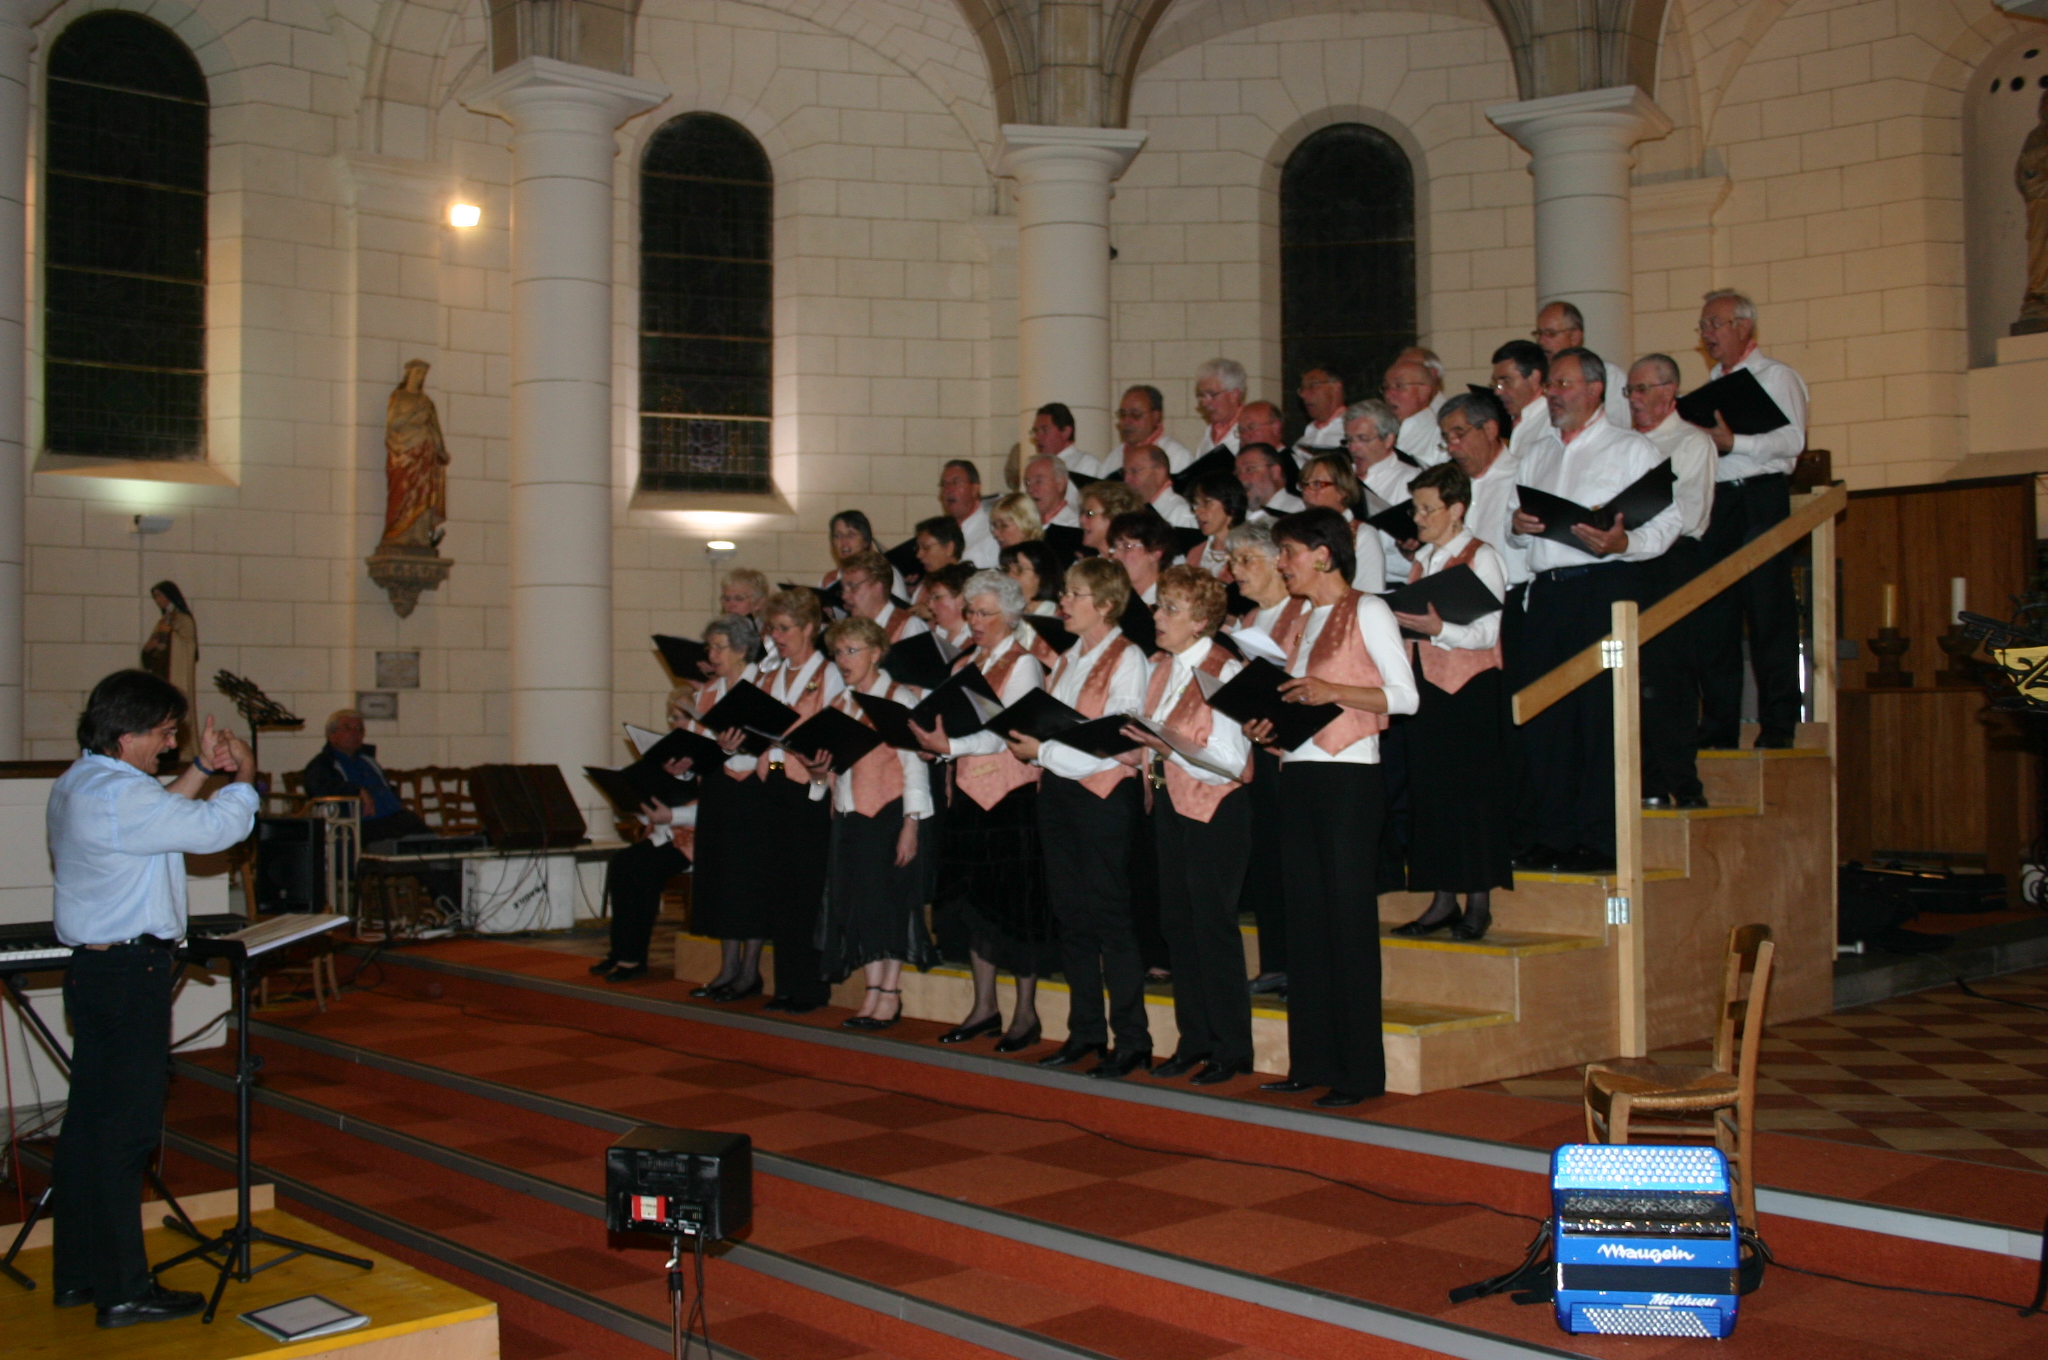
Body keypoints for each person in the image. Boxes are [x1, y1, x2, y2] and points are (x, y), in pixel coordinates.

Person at [49, 670, 256, 1328]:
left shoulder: (87, 781)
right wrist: (243, 777)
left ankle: (80, 1275)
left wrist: (199, 768)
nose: (171, 746)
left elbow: (158, 811)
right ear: (128, 733)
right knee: (126, 1135)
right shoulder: (118, 796)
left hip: (96, 974)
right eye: (166, 734)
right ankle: (124, 1290)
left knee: (87, 1130)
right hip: (128, 979)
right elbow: (211, 830)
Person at [1243, 509, 1417, 1108]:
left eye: (1287, 552)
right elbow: (1300, 701)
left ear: (1323, 554)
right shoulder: (1301, 619)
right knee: (1305, 922)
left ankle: (1361, 1072)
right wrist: (1272, 726)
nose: (1281, 563)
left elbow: (1406, 697)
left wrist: (1334, 691)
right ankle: (1311, 1060)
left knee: (1345, 922)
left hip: (1349, 781)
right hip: (1301, 774)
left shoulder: (1367, 608)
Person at [1508, 347, 1681, 874]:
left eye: (1562, 384)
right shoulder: (1535, 452)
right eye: (1551, 386)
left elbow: (1667, 524)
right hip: (1548, 593)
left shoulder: (1631, 450)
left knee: (1599, 714)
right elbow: (1513, 537)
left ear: (1594, 388)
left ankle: (1600, 837)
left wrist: (1621, 542)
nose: (1552, 394)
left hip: (1604, 588)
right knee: (1545, 716)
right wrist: (1516, 529)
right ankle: (1550, 833)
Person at [1000, 558, 1154, 1078]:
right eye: (1064, 591)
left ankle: (1132, 1038)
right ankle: (1085, 1030)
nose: (1063, 601)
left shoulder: (1129, 658)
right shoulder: (1067, 659)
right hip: (1061, 797)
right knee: (1072, 917)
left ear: (1106, 604)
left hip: (1103, 799)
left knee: (1111, 918)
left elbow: (1113, 745)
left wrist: (1041, 753)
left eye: (1075, 593)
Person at [1126, 566, 1255, 1085]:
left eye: (1170, 609)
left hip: (1215, 809)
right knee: (1179, 925)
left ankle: (1232, 1048)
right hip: (1170, 804)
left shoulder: (1223, 670)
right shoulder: (1163, 667)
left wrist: (1168, 746)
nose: (1157, 616)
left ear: (1200, 620)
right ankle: (1194, 1039)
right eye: (1159, 606)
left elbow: (1232, 759)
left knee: (1213, 927)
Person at [912, 571, 1052, 1051]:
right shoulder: (964, 665)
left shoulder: (1025, 664)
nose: (973, 620)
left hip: (1012, 800)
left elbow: (1006, 734)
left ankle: (1026, 1013)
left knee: (1014, 905)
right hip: (968, 799)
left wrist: (949, 744)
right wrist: (936, 746)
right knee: (975, 907)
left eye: (984, 612)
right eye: (970, 611)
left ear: (1010, 616)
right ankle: (984, 1005)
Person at [1388, 465, 1514, 941]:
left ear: (1456, 509)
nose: (1418, 518)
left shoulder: (1482, 558)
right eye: (1415, 508)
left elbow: (1487, 632)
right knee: (1431, 792)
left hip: (1469, 690)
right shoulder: (1424, 559)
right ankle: (1442, 899)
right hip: (1427, 688)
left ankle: (1478, 903)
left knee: (1472, 793)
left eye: (1426, 508)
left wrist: (1439, 630)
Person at [1696, 288, 1810, 751]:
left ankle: (1779, 722)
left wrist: (1734, 443)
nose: (1707, 334)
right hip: (1718, 503)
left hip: (1760, 497)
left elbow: (1793, 441)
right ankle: (1720, 723)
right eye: (1702, 326)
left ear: (1744, 326)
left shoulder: (1776, 376)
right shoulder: (1709, 385)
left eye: (1715, 324)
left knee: (1768, 612)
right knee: (1715, 617)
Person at [718, 589, 842, 1013]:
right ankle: (785, 985)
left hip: (809, 789)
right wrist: (733, 743)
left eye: (785, 628)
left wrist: (815, 768)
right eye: (773, 627)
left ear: (810, 628)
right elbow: (756, 736)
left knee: (805, 890)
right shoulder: (769, 676)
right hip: (769, 784)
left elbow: (833, 735)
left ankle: (810, 987)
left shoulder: (828, 673)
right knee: (778, 890)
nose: (777, 636)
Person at [813, 616, 933, 1029]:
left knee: (889, 903)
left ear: (876, 653)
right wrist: (817, 771)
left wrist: (911, 825)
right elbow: (825, 776)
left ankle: (890, 993)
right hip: (849, 816)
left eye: (852, 651)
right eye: (838, 653)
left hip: (889, 813)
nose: (843, 660)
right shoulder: (840, 704)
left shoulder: (898, 698)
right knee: (860, 904)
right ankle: (872, 990)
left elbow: (915, 767)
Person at [1629, 353, 1718, 809]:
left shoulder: (1690, 442)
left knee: (1669, 673)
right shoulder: (1623, 444)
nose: (1635, 399)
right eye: (1630, 391)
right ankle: (1640, 779)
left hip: (1672, 561)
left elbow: (1689, 512)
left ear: (1669, 391)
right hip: (1627, 561)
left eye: (1643, 389)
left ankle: (1682, 782)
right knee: (1630, 673)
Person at [1223, 523, 1305, 996]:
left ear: (1278, 561)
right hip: (1255, 745)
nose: (1236, 571)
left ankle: (1303, 963)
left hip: (1294, 749)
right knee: (1267, 858)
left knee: (1293, 858)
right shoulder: (1246, 622)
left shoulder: (1303, 612)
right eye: (1233, 562)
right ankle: (1276, 960)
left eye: (1246, 560)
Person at [681, 615, 771, 1000]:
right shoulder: (709, 692)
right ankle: (727, 967)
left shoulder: (765, 685)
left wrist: (748, 753)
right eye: (710, 647)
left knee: (750, 881)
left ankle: (749, 971)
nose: (711, 655)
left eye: (718, 647)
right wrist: (684, 761)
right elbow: (697, 742)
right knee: (721, 880)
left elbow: (779, 747)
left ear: (741, 648)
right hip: (718, 789)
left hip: (753, 790)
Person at [593, 759, 696, 984]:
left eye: (680, 720)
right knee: (621, 863)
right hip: (663, 837)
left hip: (693, 843)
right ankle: (619, 952)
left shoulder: (709, 768)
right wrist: (634, 801)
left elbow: (705, 811)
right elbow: (651, 812)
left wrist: (671, 815)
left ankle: (633, 958)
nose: (677, 722)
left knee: (644, 870)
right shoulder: (667, 768)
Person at [302, 709, 430, 843]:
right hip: (364, 823)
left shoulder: (368, 761)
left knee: (433, 843)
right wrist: (357, 791)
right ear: (331, 735)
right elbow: (319, 788)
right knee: (401, 845)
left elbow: (385, 786)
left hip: (396, 817)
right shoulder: (323, 764)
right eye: (347, 728)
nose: (354, 733)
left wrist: (396, 801)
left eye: (359, 729)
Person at [1343, 398, 1419, 585]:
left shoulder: (1410, 481)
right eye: (1349, 440)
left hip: (1390, 583)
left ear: (1388, 439)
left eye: (1362, 439)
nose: (1353, 448)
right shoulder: (1341, 476)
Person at [1297, 451, 1384, 592]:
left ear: (1343, 490)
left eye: (1317, 484)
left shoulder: (1361, 535)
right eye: (1304, 485)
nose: (1307, 492)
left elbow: (1369, 592)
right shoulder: (1298, 533)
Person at [1532, 301, 1629, 428]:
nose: (1541, 341)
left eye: (1551, 333)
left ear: (1575, 337)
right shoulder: (1538, 377)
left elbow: (1616, 428)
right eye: (1539, 334)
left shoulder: (1609, 375)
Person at [139, 581, 198, 762]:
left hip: (176, 671)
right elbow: (150, 650)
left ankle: (183, 752)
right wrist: (151, 647)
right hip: (162, 672)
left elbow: (188, 643)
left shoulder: (182, 619)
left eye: (160, 595)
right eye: (155, 596)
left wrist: (172, 631)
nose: (158, 600)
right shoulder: (163, 620)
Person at [840, 548, 926, 643]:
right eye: (843, 589)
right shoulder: (850, 629)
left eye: (852, 587)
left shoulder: (908, 626)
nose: (844, 596)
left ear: (878, 586)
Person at [1491, 340, 1553, 464]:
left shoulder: (1551, 425)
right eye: (1496, 384)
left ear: (1534, 378)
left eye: (1506, 381)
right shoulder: (1515, 421)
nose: (1498, 392)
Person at [825, 510, 909, 600]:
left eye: (851, 535)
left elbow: (901, 611)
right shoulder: (832, 579)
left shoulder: (885, 574)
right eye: (838, 536)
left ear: (866, 541)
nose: (844, 542)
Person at [1381, 354, 1447, 467]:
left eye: (1399, 386)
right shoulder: (1382, 432)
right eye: (1386, 387)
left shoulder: (1440, 436)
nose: (1388, 395)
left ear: (1424, 391)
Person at [1116, 385, 1195, 474]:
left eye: (1135, 414)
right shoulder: (1114, 457)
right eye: (1122, 414)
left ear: (1155, 416)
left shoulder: (1176, 455)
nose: (1127, 421)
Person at [940, 459, 1001, 568]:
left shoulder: (993, 532)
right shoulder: (941, 532)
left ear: (975, 489)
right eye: (944, 484)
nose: (948, 490)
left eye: (956, 483)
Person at [1107, 511, 1173, 607]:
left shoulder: (1167, 603)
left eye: (1127, 546)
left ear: (1154, 553)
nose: (1115, 556)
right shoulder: (1114, 599)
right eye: (1115, 547)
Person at [1122, 443, 1196, 528]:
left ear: (1159, 473)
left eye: (1134, 471)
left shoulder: (1180, 513)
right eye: (1124, 473)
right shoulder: (1132, 511)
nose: (1126, 480)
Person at [1186, 473, 1245, 575]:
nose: (1197, 511)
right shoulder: (1196, 553)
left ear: (1230, 503)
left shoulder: (1247, 551)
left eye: (1206, 503)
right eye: (1196, 504)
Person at [1291, 364, 1350, 462]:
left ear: (1336, 387)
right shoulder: (1302, 443)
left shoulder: (1353, 432)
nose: (1304, 395)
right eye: (1302, 389)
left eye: (1313, 386)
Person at [1193, 357, 1248, 460]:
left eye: (1212, 394)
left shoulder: (1251, 434)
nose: (1205, 402)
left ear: (1234, 395)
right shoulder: (1208, 438)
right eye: (1201, 395)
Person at [912, 515, 966, 615]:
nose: (919, 555)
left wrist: (933, 615)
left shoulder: (966, 585)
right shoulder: (925, 582)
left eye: (926, 547)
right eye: (918, 548)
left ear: (949, 548)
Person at [1237, 442, 1304, 522]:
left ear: (1274, 472)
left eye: (1249, 469)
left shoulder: (1298, 512)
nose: (1240, 478)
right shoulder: (1239, 515)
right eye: (1237, 473)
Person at [1031, 402, 1101, 479]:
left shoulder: (1086, 464)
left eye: (1045, 430)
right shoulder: (1034, 467)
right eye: (1036, 431)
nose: (1037, 437)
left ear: (1066, 432)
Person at [1078, 479, 1145, 556]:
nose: (1081, 520)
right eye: (1082, 513)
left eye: (1090, 514)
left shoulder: (1132, 564)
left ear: (1114, 516)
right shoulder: (1089, 564)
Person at [922, 563, 976, 653]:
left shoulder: (975, 640)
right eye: (930, 599)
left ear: (961, 599)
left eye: (937, 597)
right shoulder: (937, 634)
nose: (930, 605)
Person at [1002, 541, 1063, 616]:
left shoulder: (1058, 619)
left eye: (1019, 570)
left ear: (1043, 575)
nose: (1009, 576)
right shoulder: (1008, 615)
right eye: (1006, 570)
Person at [1024, 455, 1081, 529]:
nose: (1030, 489)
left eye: (1039, 481)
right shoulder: (1023, 525)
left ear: (1060, 484)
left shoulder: (1075, 526)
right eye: (1027, 483)